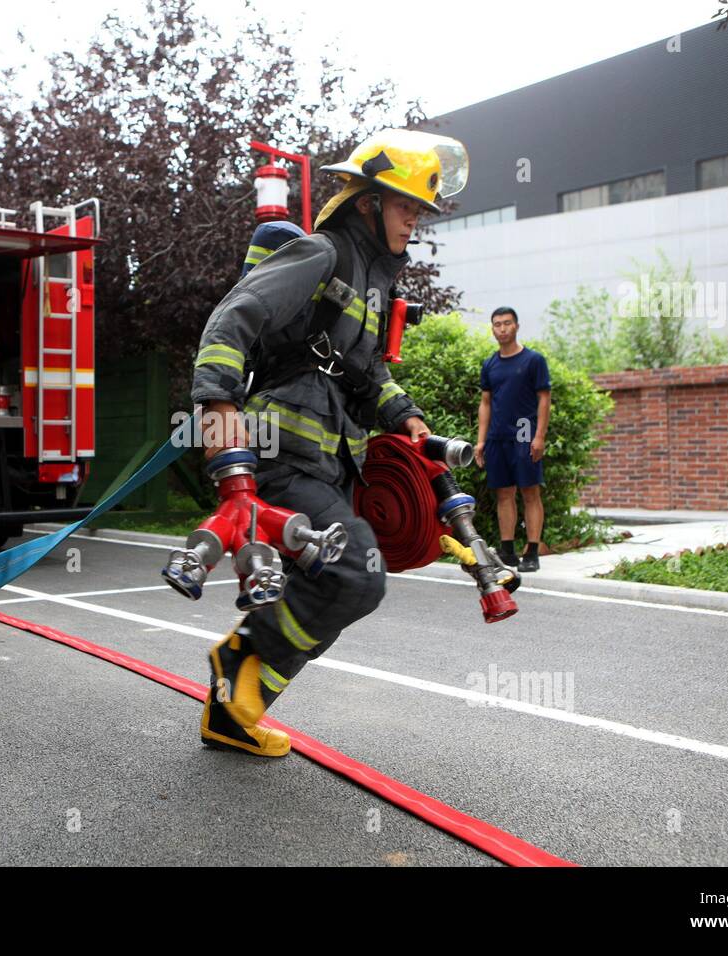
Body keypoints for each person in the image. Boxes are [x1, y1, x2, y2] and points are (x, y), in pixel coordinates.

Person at [191, 128, 468, 757]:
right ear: (368, 202)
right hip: (280, 455)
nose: (415, 223)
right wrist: (217, 408)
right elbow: (233, 317)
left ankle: (233, 714)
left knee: (332, 594)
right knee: (355, 574)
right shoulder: (321, 253)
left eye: (421, 212)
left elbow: (366, 375)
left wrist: (411, 422)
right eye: (406, 208)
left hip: (328, 462)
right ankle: (236, 667)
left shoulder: (376, 282)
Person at [474, 307, 552, 572]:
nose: (502, 328)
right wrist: (481, 440)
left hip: (523, 431)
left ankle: (532, 551)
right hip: (497, 434)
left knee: (530, 490)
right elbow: (485, 403)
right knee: (503, 493)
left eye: (507, 323)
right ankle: (508, 551)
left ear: (516, 326)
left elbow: (544, 399)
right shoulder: (490, 364)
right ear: (493, 329)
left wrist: (538, 436)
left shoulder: (533, 360)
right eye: (497, 324)